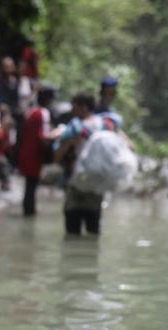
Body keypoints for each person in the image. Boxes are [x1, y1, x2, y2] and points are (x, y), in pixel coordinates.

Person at [55, 92, 108, 235]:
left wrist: (68, 145)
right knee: (93, 231)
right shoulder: (104, 125)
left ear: (84, 108)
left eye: (74, 107)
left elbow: (57, 158)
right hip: (97, 186)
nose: (72, 111)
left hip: (76, 185)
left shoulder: (75, 127)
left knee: (72, 232)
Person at [17, 86, 56, 216]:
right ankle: (29, 213)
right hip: (35, 156)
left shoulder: (30, 111)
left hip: (24, 153)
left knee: (29, 186)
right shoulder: (43, 113)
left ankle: (28, 211)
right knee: (31, 186)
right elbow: (43, 137)